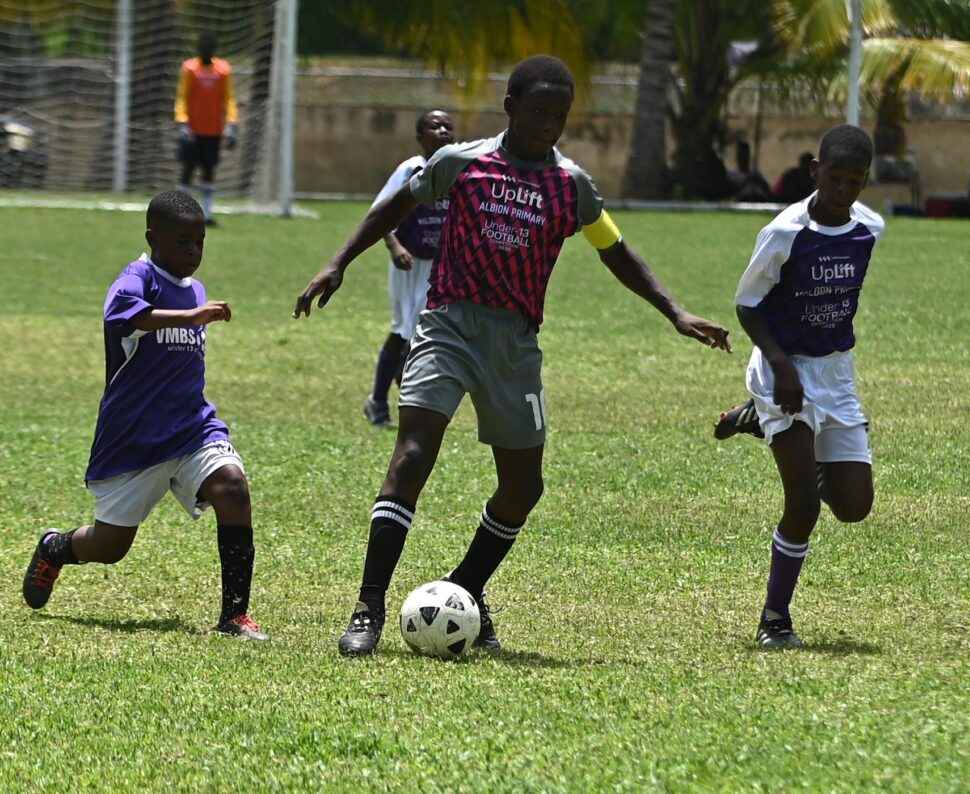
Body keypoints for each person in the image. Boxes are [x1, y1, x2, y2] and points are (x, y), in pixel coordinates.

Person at [293, 54, 732, 657]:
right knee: (413, 452)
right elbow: (396, 205)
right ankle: (367, 607)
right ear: (510, 108)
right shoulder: (461, 162)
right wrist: (338, 260)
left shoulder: (571, 185)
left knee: (524, 486)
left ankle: (462, 590)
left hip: (515, 344)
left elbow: (615, 250)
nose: (547, 125)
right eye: (536, 112)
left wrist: (673, 310)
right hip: (448, 324)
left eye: (558, 115)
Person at [21, 190, 267, 641]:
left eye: (199, 242)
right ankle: (55, 548)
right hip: (135, 438)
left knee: (232, 487)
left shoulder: (195, 289)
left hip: (193, 427)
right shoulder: (137, 278)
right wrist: (191, 316)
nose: (192, 252)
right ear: (153, 237)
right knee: (109, 547)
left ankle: (234, 616)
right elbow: (122, 314)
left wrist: (194, 310)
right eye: (182, 242)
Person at [713, 125, 885, 649]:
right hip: (781, 370)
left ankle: (757, 422)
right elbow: (747, 304)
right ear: (815, 171)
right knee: (803, 504)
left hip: (835, 374)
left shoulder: (870, 227)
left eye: (854, 182)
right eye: (834, 178)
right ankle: (774, 620)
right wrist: (782, 366)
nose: (842, 190)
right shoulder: (784, 232)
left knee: (854, 506)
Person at [363, 109, 455, 428]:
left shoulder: (455, 171)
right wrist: (394, 246)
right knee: (404, 330)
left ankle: (397, 401)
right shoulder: (411, 169)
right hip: (409, 263)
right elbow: (381, 211)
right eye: (435, 126)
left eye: (448, 126)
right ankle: (381, 400)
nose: (443, 130)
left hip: (439, 264)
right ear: (420, 137)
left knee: (420, 332)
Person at [175, 32, 238, 226]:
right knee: (188, 169)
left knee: (209, 170)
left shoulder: (223, 70)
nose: (206, 51)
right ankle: (179, 212)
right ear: (198, 49)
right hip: (193, 130)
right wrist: (182, 122)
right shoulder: (189, 68)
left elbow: (228, 99)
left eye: (210, 48)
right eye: (203, 47)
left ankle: (207, 213)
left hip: (213, 131)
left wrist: (232, 124)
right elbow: (182, 97)